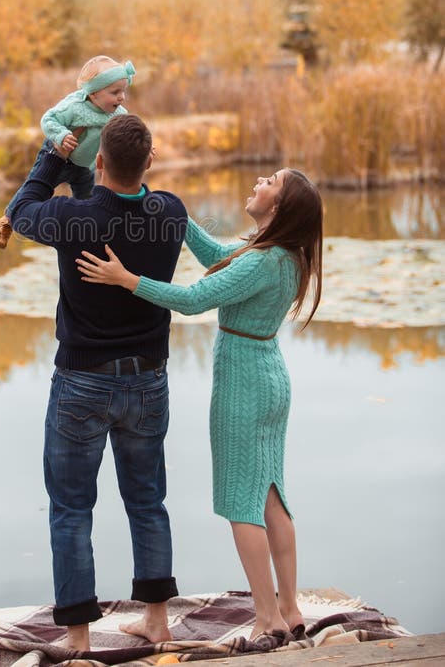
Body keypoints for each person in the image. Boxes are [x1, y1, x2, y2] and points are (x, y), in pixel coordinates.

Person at [76, 169, 323, 646]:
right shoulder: (281, 254)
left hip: (245, 384)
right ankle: (289, 608)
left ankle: (268, 617)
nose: (259, 180)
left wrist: (127, 280)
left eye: (270, 181)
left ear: (278, 206)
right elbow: (215, 258)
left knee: (241, 503)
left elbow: (192, 300)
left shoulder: (261, 260)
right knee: (271, 495)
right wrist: (172, 210)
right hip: (270, 376)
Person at [8, 114, 188, 651]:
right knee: (148, 501)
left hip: (81, 383)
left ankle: (79, 638)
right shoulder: (170, 213)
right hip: (147, 382)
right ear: (150, 161)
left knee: (71, 509)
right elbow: (130, 200)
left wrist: (55, 154)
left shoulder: (72, 217)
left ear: (100, 161)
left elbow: (20, 209)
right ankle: (156, 620)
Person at [0, 55, 135, 249]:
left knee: (87, 200)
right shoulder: (74, 107)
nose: (121, 97)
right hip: (58, 158)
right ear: (93, 93)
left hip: (84, 166)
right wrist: (62, 135)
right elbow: (48, 119)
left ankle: (89, 231)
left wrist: (140, 144)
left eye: (123, 91)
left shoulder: (118, 113)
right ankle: (7, 220)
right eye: (115, 92)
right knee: (36, 188)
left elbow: (127, 130)